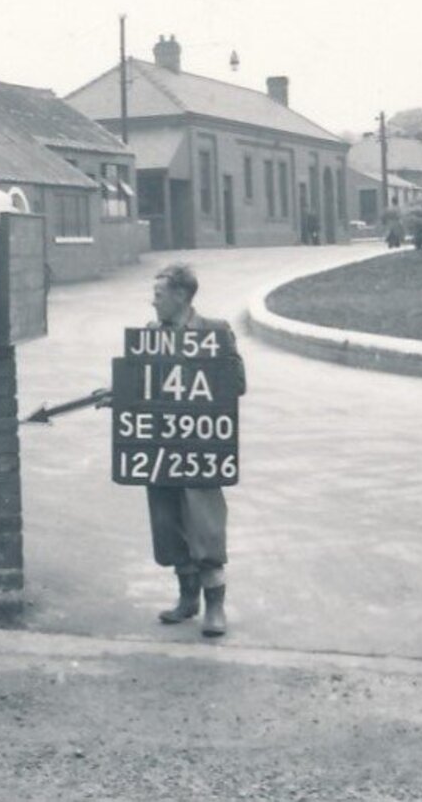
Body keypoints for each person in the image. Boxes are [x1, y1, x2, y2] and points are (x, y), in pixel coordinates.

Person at [144, 262, 245, 637]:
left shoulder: (216, 331)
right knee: (167, 522)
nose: (152, 302)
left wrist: (198, 373)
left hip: (200, 446)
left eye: (158, 295)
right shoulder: (151, 333)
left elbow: (237, 382)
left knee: (205, 526)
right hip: (161, 446)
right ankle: (187, 599)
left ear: (181, 296)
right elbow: (143, 382)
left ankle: (214, 607)